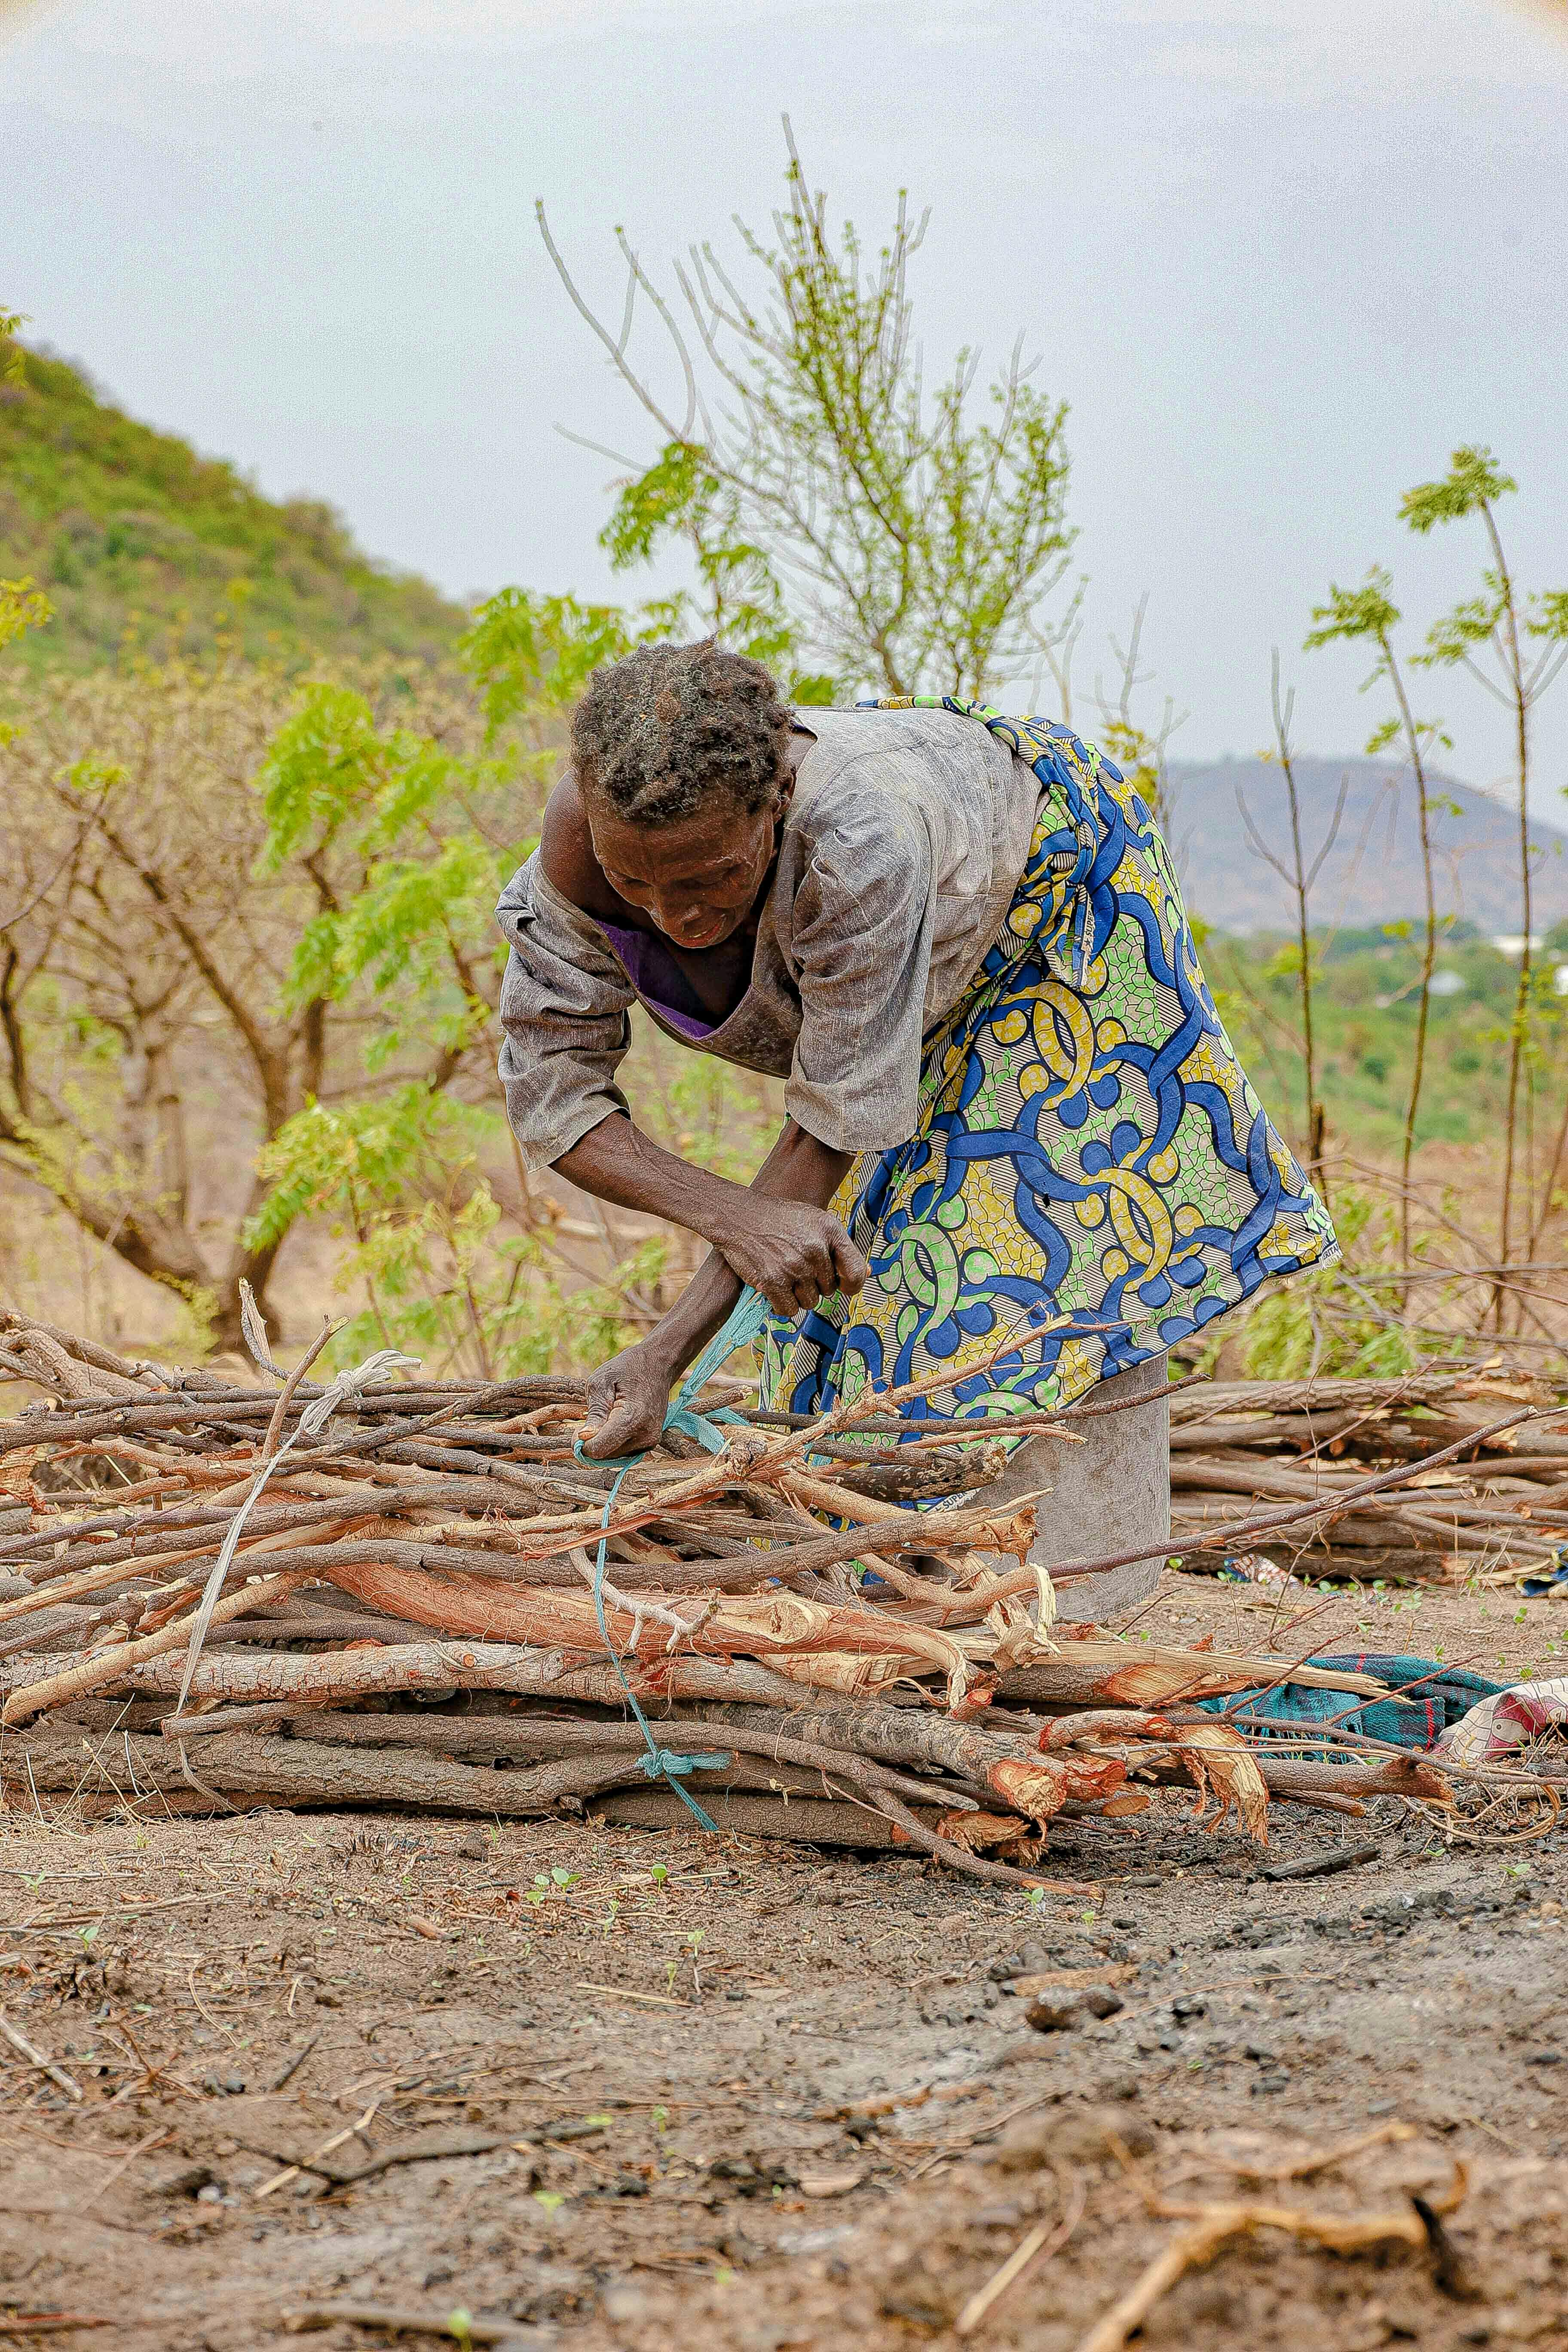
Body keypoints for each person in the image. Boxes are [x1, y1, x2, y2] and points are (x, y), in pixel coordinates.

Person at [496, 640, 1337, 1620]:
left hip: (1051, 907)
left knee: (1043, 1242)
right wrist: (735, 1220)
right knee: (841, 1281)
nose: (674, 917)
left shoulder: (859, 840)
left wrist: (672, 1345)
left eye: (712, 879)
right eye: (635, 885)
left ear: (775, 802)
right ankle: (896, 1578)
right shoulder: (585, 852)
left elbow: (832, 1125)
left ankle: (1077, 1593)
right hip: (908, 961)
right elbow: (553, 1095)